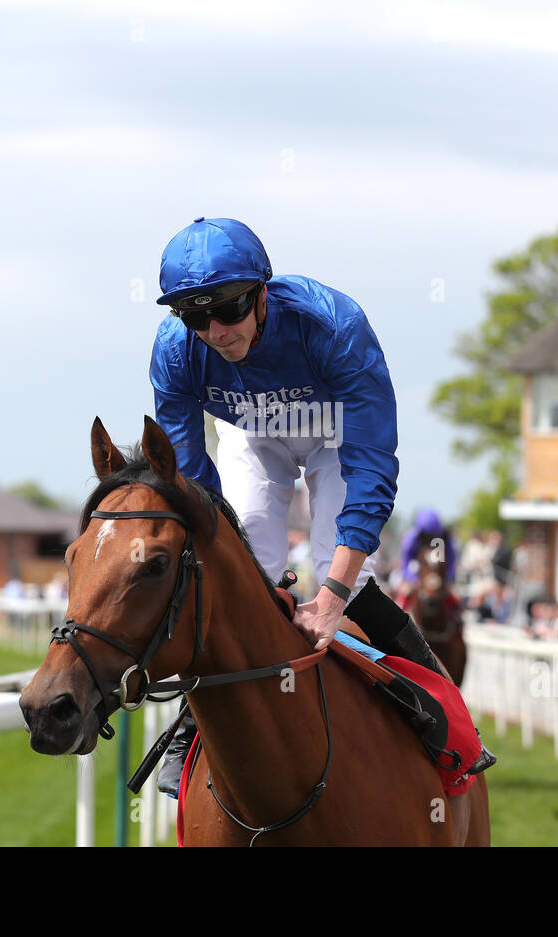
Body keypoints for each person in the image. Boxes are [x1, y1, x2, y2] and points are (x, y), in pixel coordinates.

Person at [148, 217, 492, 794]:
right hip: (249, 432)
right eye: (193, 315)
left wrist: (330, 596)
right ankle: (193, 720)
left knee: (348, 578)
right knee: (244, 563)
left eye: (229, 309)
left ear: (262, 292)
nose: (214, 330)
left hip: (336, 433)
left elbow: (372, 466)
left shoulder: (332, 325)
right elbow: (189, 473)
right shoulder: (175, 350)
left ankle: (447, 719)